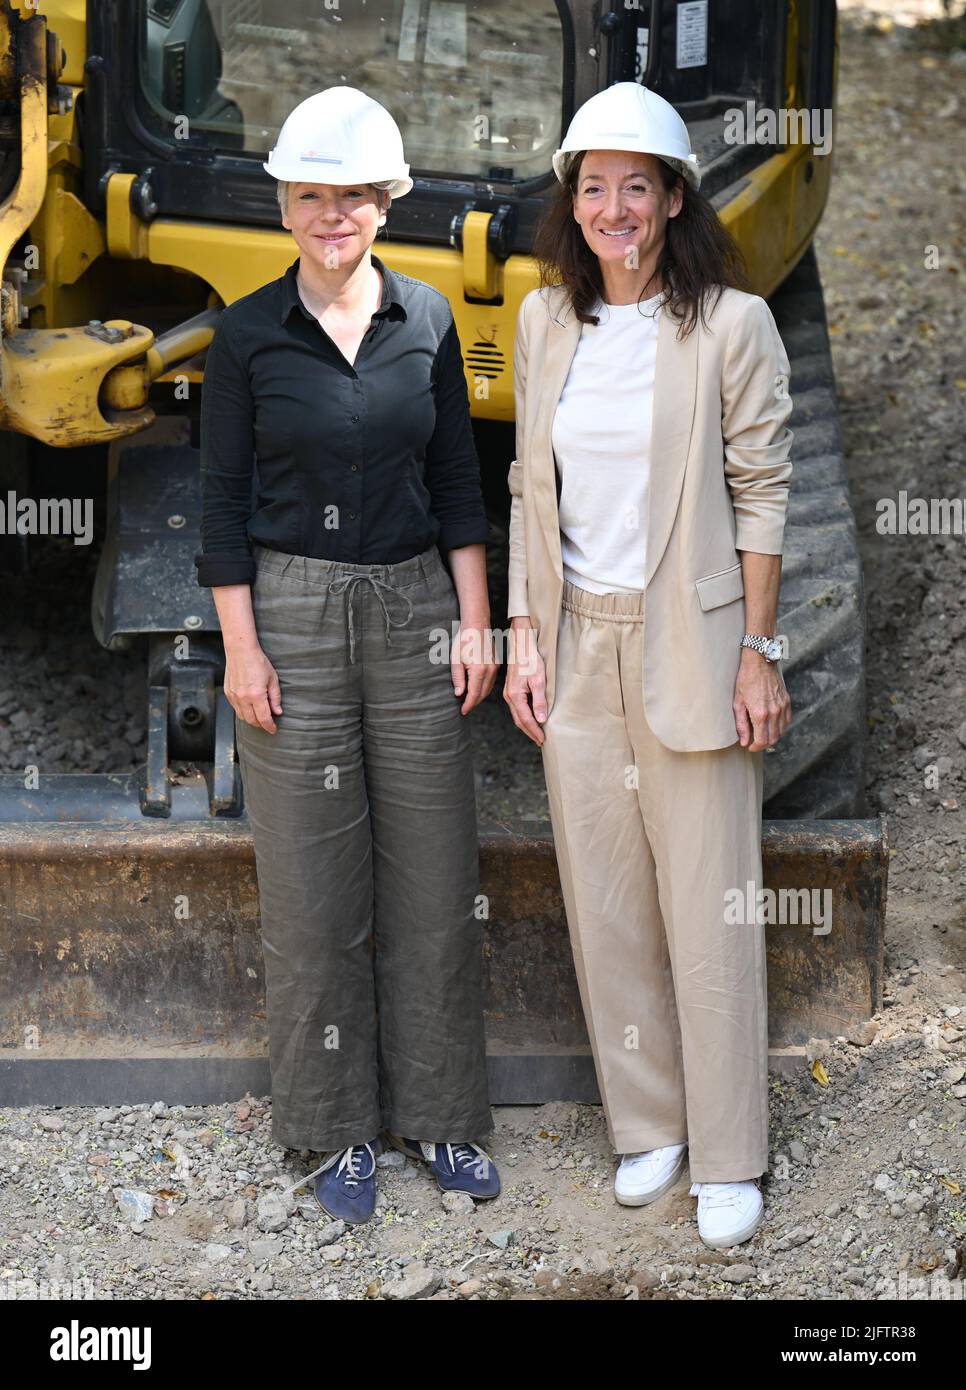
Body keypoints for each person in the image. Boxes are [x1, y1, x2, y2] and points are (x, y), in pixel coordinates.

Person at [195, 87, 501, 1226]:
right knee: (314, 884)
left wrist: (476, 619)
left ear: (386, 204)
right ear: (286, 206)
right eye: (313, 195)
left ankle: (441, 1112)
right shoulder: (246, 335)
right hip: (292, 612)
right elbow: (221, 504)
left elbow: (462, 485)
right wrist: (241, 647)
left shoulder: (425, 320)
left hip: (419, 603)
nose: (334, 215)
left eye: (355, 196)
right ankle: (333, 1131)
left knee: (433, 869)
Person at [503, 83, 793, 1250]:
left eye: (637, 185)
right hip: (579, 638)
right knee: (608, 902)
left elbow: (765, 491)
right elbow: (531, 487)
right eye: (593, 186)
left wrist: (762, 651)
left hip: (694, 639)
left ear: (675, 197)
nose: (613, 207)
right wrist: (527, 636)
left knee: (709, 903)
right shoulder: (544, 323)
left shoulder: (732, 324)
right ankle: (651, 1125)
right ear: (570, 203)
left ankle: (730, 1154)